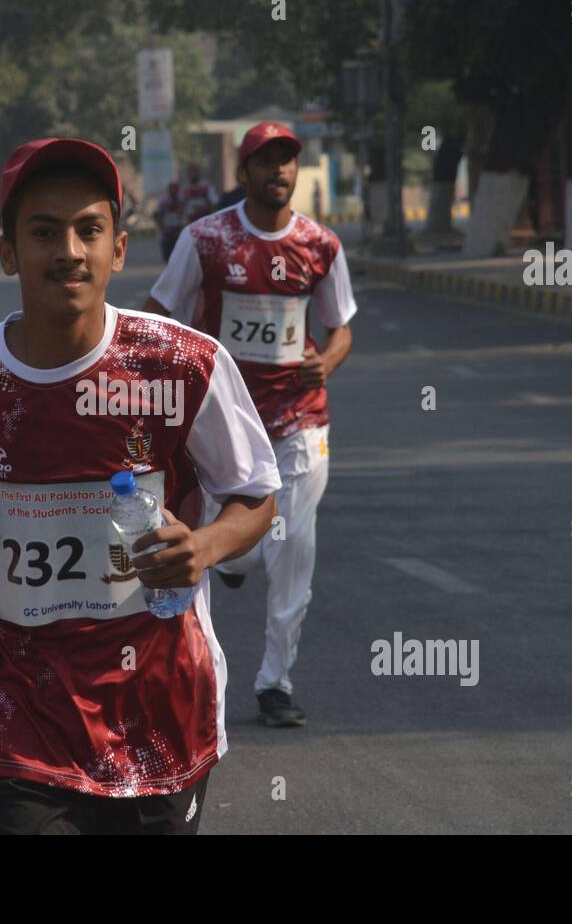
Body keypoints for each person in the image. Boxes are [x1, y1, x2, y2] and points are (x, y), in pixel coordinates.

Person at [0, 136, 281, 835]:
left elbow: (255, 493)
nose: (68, 251)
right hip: (15, 705)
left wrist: (207, 545)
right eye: (43, 232)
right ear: (7, 254)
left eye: (88, 230)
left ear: (118, 249)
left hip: (160, 703)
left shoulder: (181, 368)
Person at [142, 122, 357, 728]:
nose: (278, 172)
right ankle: (234, 561)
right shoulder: (205, 240)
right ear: (244, 173)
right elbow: (160, 314)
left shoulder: (321, 246)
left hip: (298, 421)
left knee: (295, 545)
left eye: (286, 161)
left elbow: (340, 327)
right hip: (224, 424)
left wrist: (326, 362)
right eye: (265, 161)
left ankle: (274, 683)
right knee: (235, 545)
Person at [152, 180, 187, 262]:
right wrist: (162, 227)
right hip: (167, 234)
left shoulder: (183, 201)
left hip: (179, 233)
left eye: (175, 189)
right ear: (168, 190)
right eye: (172, 189)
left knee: (180, 258)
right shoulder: (163, 201)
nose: (173, 191)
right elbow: (156, 215)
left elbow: (188, 214)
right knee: (167, 258)